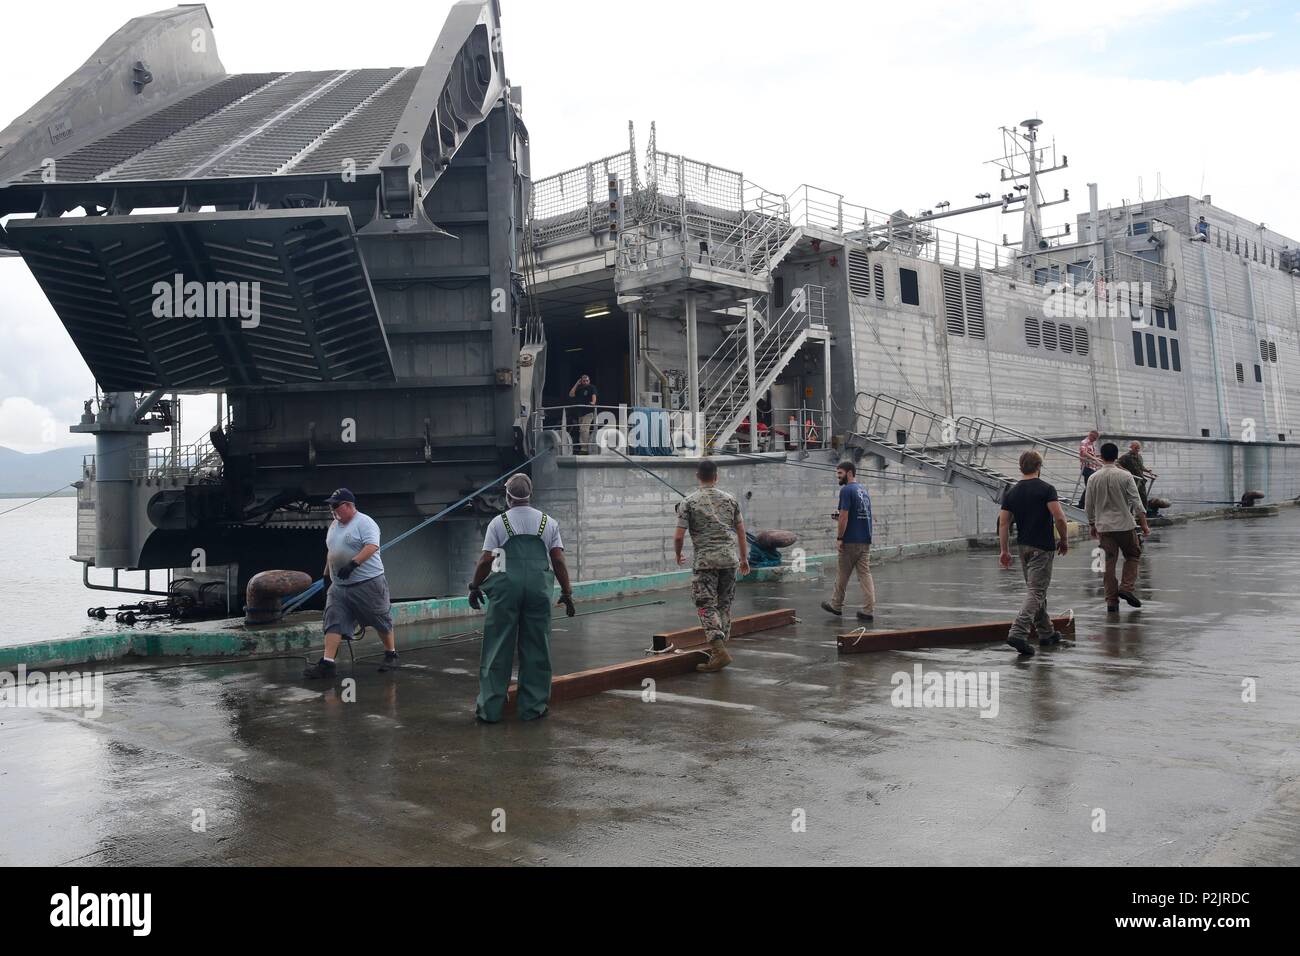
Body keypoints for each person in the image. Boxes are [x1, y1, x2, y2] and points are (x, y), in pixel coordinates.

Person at [467, 474, 574, 722]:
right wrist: (567, 593)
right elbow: (558, 560)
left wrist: (475, 586)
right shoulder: (548, 523)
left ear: (508, 497)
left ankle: (490, 710)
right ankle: (532, 708)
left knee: (497, 647)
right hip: (538, 591)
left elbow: (486, 560)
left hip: (506, 591)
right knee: (537, 647)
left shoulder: (498, 523)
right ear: (530, 494)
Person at [304, 489, 399, 678]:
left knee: (379, 618)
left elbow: (372, 546)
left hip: (367, 582)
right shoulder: (334, 525)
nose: (332, 510)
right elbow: (331, 550)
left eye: (336, 506)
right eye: (331, 506)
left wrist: (353, 564)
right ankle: (328, 663)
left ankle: (391, 654)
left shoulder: (365, 522)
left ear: (348, 505)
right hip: (339, 586)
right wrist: (325, 576)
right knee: (333, 619)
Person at [674, 459, 750, 673]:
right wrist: (744, 559)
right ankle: (721, 648)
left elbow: (678, 536)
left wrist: (678, 554)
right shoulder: (731, 500)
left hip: (706, 562)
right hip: (729, 561)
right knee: (724, 604)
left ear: (698, 476)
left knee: (705, 604)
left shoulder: (688, 502)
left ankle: (718, 651)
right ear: (716, 477)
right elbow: (742, 532)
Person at [998, 451, 1069, 657]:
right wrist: (1063, 540)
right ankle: (1018, 633)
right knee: (1036, 592)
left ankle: (1046, 633)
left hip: (1023, 548)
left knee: (1036, 591)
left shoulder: (1011, 492)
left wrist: (1004, 550)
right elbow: (1060, 518)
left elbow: (1003, 523)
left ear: (1021, 467)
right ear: (1039, 466)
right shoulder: (1046, 489)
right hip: (1042, 547)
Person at [1085, 442, 1150, 613]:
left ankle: (1111, 602)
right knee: (1133, 555)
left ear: (1101, 456)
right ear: (1116, 456)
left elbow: (1088, 505)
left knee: (1108, 564)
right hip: (1125, 525)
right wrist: (1144, 524)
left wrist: (1092, 524)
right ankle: (1126, 588)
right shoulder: (1125, 476)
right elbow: (1137, 502)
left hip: (1104, 528)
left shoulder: (1093, 478)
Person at [821, 460, 876, 623]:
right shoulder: (862, 490)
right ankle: (868, 609)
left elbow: (844, 516)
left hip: (850, 540)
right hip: (865, 539)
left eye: (840, 473)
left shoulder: (846, 490)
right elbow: (859, 514)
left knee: (843, 574)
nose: (838, 477)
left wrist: (839, 538)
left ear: (849, 473)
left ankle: (836, 605)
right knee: (865, 575)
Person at [1117, 440, 1157, 514]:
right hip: (1131, 481)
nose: (1137, 450)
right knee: (1132, 498)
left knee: (1143, 497)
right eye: (1136, 448)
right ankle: (1130, 513)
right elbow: (1117, 464)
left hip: (1140, 481)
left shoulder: (1139, 456)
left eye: (1139, 448)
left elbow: (1141, 467)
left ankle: (1143, 513)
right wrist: (1125, 470)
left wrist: (1148, 470)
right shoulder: (1126, 457)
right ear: (1131, 447)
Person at [568, 374, 598, 454]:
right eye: (583, 381)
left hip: (588, 412)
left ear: (589, 381)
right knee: (581, 430)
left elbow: (594, 396)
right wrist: (577, 384)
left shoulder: (591, 387)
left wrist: (593, 402)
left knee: (584, 429)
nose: (585, 382)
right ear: (581, 381)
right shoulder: (579, 388)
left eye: (587, 380)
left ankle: (585, 449)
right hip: (580, 413)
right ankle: (583, 447)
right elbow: (571, 394)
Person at [1077, 429, 1103, 507]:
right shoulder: (1084, 442)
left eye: (1096, 439)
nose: (1095, 440)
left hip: (1092, 467)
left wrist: (1098, 457)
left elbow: (1091, 455)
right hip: (1087, 467)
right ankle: (1082, 504)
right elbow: (1084, 453)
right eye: (1094, 438)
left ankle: (1083, 504)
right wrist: (1095, 459)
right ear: (1091, 435)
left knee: (1089, 486)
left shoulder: (1091, 444)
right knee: (1091, 485)